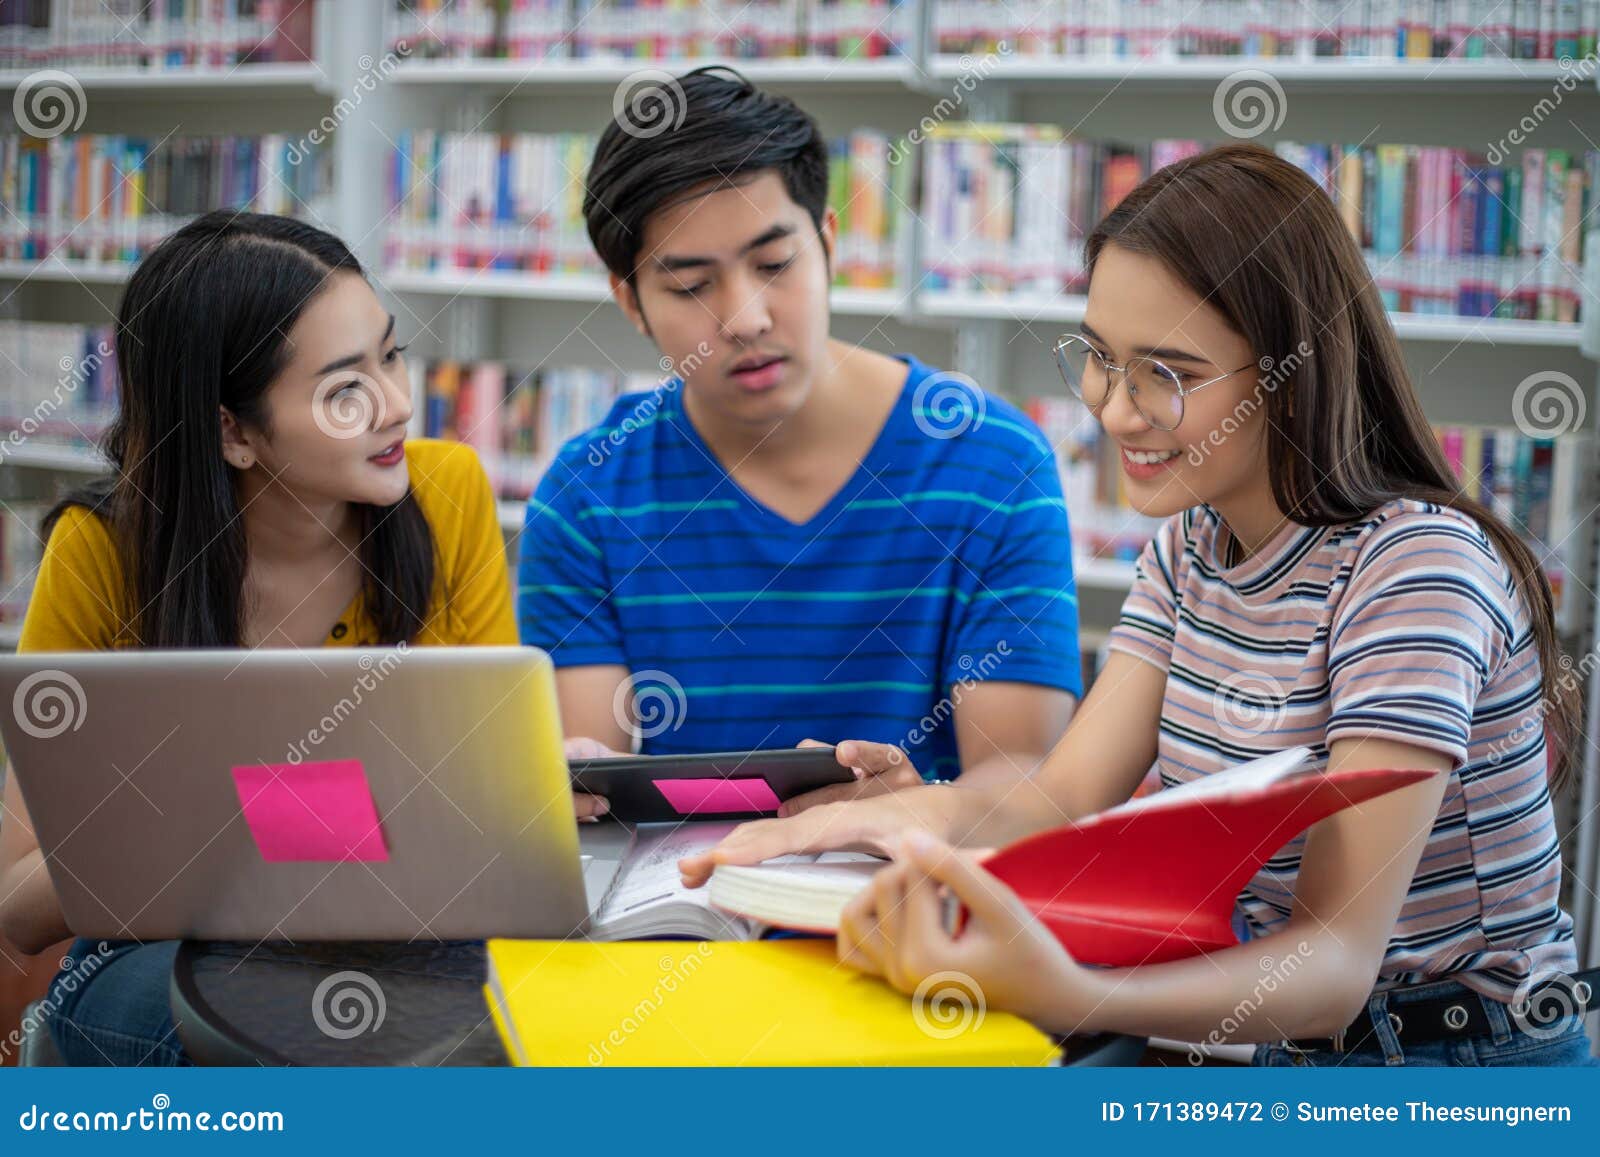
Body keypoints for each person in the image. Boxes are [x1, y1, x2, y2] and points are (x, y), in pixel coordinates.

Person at [682, 143, 1595, 1067]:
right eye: (1101, 359)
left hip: (1441, 1062)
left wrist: (1071, 992)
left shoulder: (1415, 567)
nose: (1115, 412)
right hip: (1269, 1042)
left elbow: (1335, 962)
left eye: (1168, 373)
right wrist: (877, 819)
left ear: (1291, 371)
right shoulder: (1188, 550)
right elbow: (1064, 796)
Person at [0, 211, 516, 1065]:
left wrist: (526, 784)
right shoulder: (100, 556)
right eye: (344, 385)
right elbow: (16, 907)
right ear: (232, 431)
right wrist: (218, 821)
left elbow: (484, 791)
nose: (396, 403)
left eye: (391, 354)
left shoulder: (448, 494)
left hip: (409, 937)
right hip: (161, 952)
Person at [520, 67, 1081, 809]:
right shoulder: (585, 496)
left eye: (774, 264)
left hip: (914, 900)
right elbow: (603, 790)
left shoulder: (994, 464)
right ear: (631, 300)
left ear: (828, 245)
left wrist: (913, 809)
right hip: (679, 909)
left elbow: (1024, 785)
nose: (745, 317)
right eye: (691, 285)